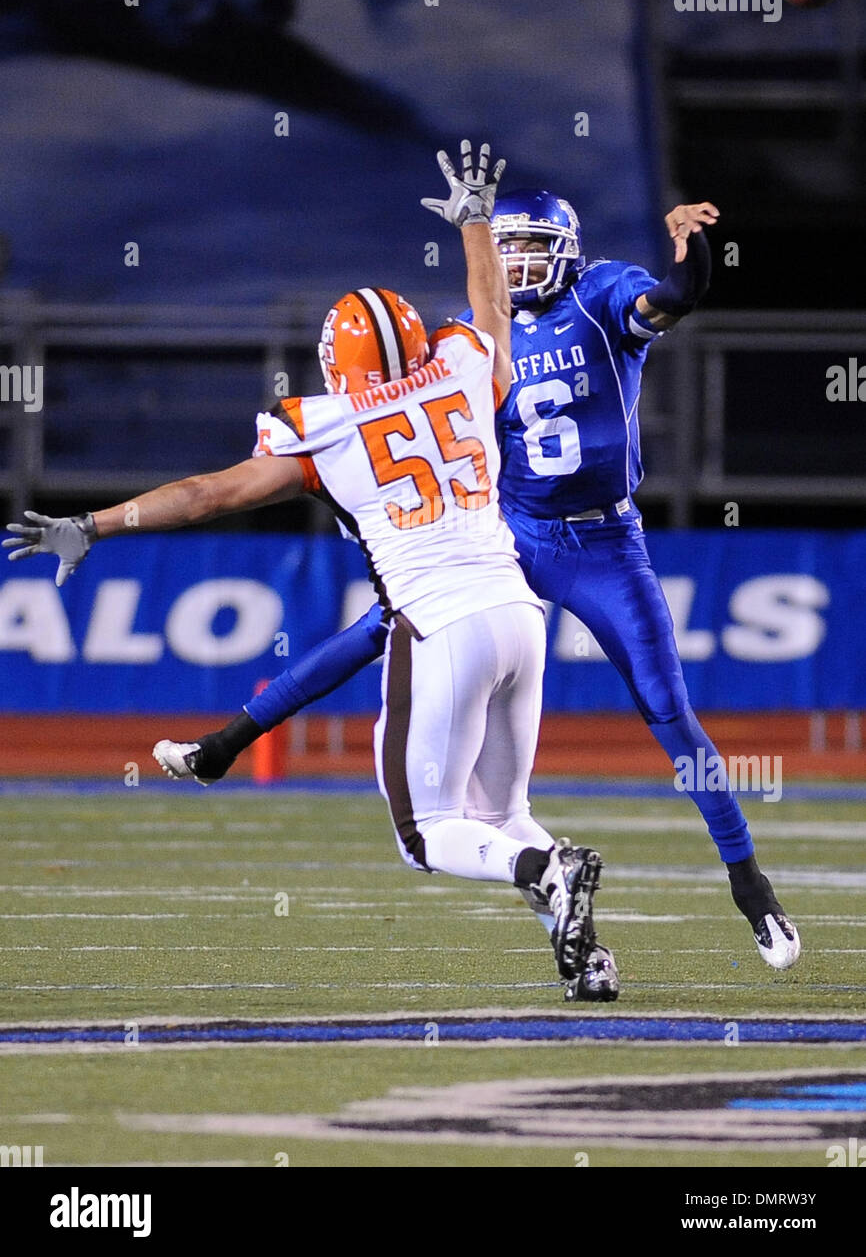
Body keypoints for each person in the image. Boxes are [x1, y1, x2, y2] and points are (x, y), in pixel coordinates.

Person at [112, 182, 801, 974]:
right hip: (510, 532)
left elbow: (678, 295)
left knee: (670, 710)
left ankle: (749, 883)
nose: (514, 266)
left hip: (605, 540)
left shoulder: (603, 294)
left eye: (531, 250)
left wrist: (693, 248)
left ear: (567, 253)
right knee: (383, 624)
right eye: (502, 251)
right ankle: (231, 739)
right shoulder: (469, 347)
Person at [4, 141, 619, 1004]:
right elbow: (494, 313)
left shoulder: (324, 427)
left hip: (439, 625)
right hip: (522, 619)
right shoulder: (464, 370)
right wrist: (476, 220)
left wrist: (95, 523)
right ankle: (585, 956)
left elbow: (208, 495)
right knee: (499, 815)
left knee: (428, 832)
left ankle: (550, 870)